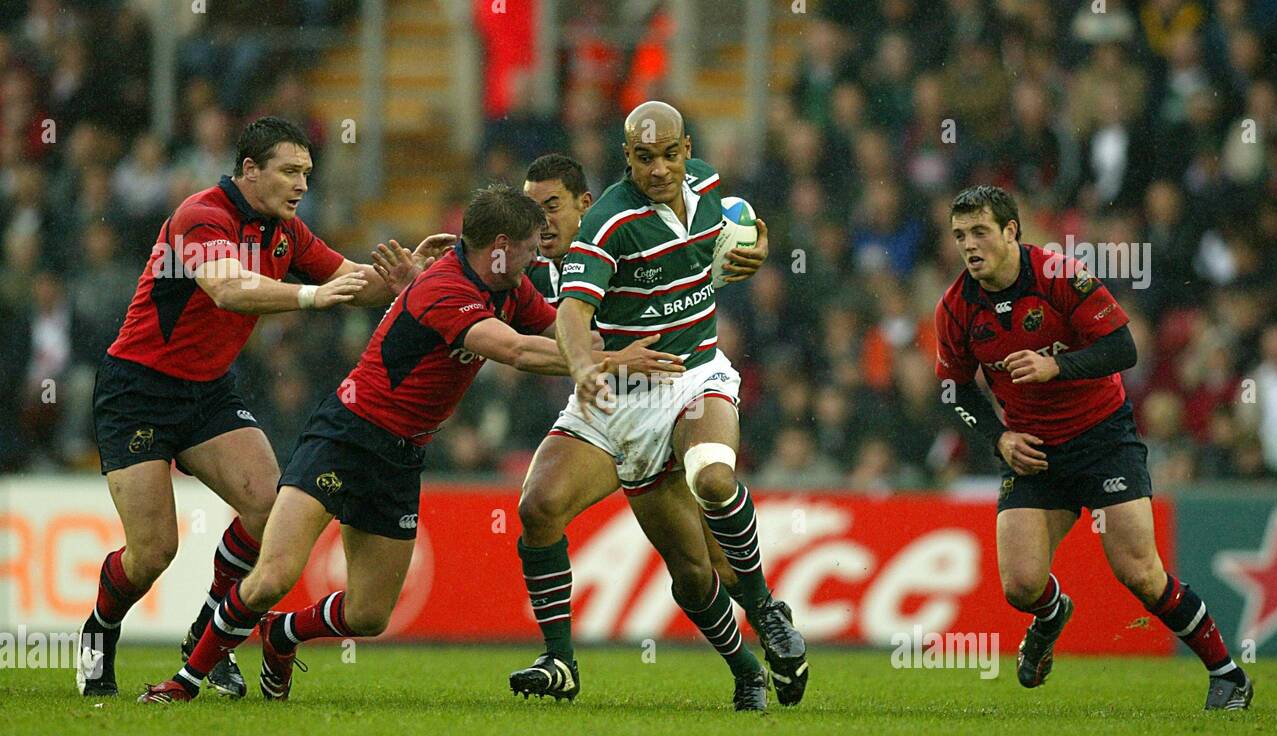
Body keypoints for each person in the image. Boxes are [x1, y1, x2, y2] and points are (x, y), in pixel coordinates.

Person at [136, 185, 654, 703]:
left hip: (401, 457)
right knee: (272, 575)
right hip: (346, 436)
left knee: (369, 614)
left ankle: (282, 633)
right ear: (499, 244)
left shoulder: (508, 288)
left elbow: (567, 337)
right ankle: (185, 682)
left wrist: (608, 334)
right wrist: (605, 362)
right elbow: (517, 350)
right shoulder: (444, 287)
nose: (537, 256)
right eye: (528, 246)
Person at [77, 116, 441, 699]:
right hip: (138, 391)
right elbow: (228, 287)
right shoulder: (201, 215)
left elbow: (352, 281)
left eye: (307, 173)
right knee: (153, 553)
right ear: (249, 170)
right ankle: (100, 630)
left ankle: (206, 633)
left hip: (207, 391)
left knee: (269, 509)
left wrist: (407, 280)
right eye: (290, 171)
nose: (302, 184)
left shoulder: (286, 232)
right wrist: (309, 295)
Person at [933, 185, 1252, 710]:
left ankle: (1228, 673)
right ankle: (1052, 613)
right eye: (960, 235)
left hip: (1102, 438)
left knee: (1140, 573)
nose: (969, 246)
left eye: (980, 232)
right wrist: (1000, 439)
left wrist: (1055, 365)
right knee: (1020, 586)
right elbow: (955, 388)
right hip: (1034, 451)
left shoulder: (1060, 274)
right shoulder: (954, 307)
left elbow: (1123, 347)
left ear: (1012, 231)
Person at [505, 152, 795, 704]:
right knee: (544, 509)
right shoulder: (532, 268)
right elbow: (536, 338)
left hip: (682, 387)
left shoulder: (627, 222)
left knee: (716, 533)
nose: (541, 223)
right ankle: (740, 669)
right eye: (531, 210)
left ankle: (768, 614)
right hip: (610, 406)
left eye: (552, 208)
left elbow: (732, 225)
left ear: (583, 205)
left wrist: (760, 245)